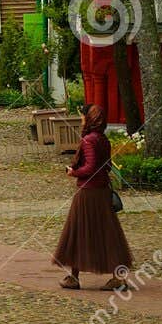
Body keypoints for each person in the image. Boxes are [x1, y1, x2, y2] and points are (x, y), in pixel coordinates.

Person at [53, 104, 132, 290]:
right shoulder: (103, 139)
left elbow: (90, 167)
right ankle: (117, 278)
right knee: (108, 234)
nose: (81, 119)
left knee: (78, 232)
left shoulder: (89, 140)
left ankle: (74, 277)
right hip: (102, 192)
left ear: (90, 118)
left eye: (83, 116)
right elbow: (107, 165)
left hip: (88, 193)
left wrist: (73, 172)